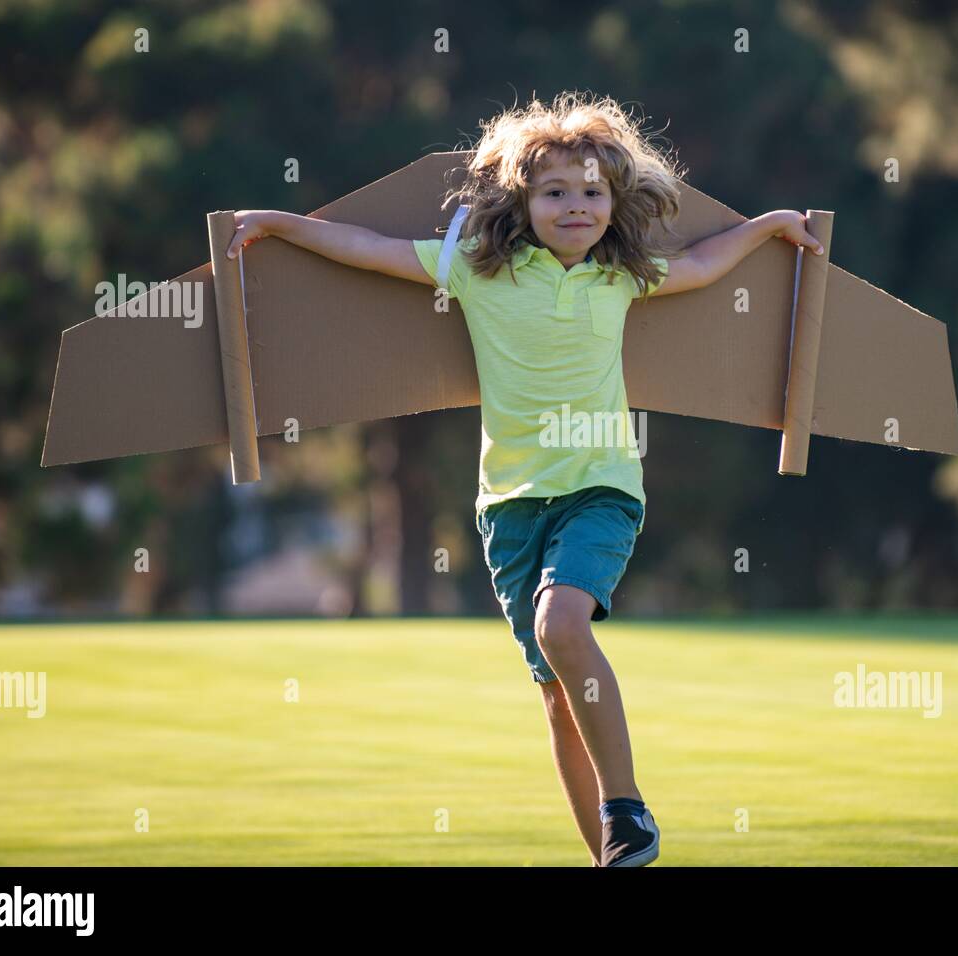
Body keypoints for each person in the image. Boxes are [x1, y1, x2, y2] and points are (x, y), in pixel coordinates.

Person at [226, 91, 823, 867]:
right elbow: (365, 247)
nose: (576, 206)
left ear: (614, 202)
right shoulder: (477, 271)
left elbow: (707, 266)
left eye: (592, 192)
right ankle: (613, 853)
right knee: (553, 695)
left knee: (560, 626)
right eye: (555, 192)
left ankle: (629, 807)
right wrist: (278, 224)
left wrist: (771, 226)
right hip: (508, 507)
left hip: (601, 490)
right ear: (522, 200)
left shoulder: (621, 278)